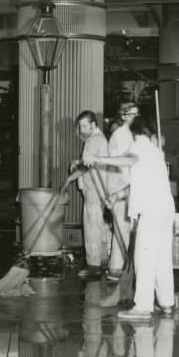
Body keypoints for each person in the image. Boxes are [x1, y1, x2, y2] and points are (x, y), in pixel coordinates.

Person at [85, 116, 175, 320]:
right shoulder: (155, 153)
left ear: (135, 134)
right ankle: (167, 303)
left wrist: (99, 160)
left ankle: (142, 307)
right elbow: (139, 183)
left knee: (144, 259)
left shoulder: (141, 146)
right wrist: (117, 195)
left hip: (151, 213)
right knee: (161, 259)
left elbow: (128, 160)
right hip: (165, 211)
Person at [71, 110, 111, 278]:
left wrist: (75, 168)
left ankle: (93, 265)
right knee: (98, 224)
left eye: (84, 126)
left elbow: (88, 165)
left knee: (92, 226)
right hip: (97, 188)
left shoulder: (94, 140)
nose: (81, 129)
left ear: (93, 125)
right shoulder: (98, 139)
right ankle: (101, 260)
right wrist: (78, 162)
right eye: (80, 126)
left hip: (94, 188)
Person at [104, 102, 140, 281]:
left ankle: (118, 267)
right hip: (121, 185)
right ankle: (117, 269)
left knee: (124, 227)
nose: (135, 118)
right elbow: (128, 161)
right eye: (132, 114)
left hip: (121, 185)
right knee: (123, 227)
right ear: (123, 116)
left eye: (136, 114)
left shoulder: (124, 134)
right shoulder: (122, 135)